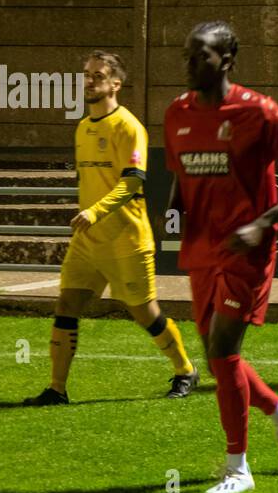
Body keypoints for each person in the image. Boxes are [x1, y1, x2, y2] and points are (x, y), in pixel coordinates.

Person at [164, 21, 278, 493]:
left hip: (247, 251)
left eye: (201, 57)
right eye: (188, 56)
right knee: (216, 359)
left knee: (224, 352)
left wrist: (262, 222)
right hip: (201, 250)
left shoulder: (260, 112)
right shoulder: (176, 113)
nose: (190, 66)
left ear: (227, 61)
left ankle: (238, 469)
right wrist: (172, 214)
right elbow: (180, 174)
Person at [23, 52, 197, 406]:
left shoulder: (129, 127)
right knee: (67, 302)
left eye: (98, 75)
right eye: (86, 74)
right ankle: (57, 389)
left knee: (143, 311)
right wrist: (88, 217)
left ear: (116, 84)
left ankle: (185, 370)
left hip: (126, 237)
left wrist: (95, 211)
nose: (89, 81)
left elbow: (132, 182)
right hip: (88, 241)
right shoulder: (82, 127)